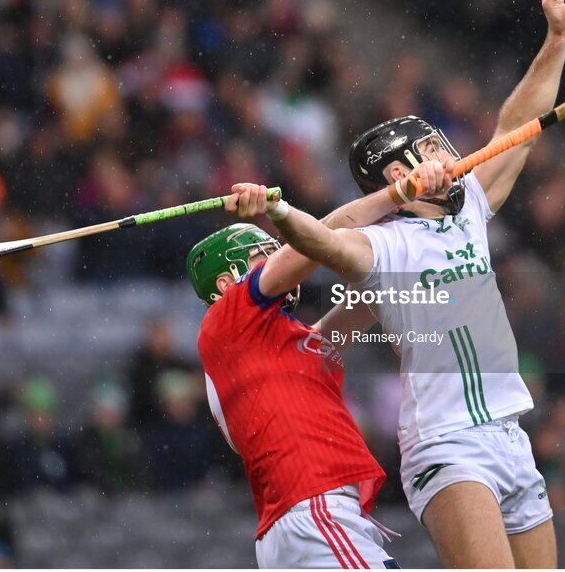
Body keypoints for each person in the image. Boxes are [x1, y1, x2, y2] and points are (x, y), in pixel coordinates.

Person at [233, 0, 565, 568]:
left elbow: (519, 128)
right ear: (399, 176)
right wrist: (279, 212)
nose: (448, 157)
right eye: (432, 152)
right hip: (448, 445)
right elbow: (326, 241)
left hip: (511, 437)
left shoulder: (471, 205)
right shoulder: (384, 247)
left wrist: (556, 35)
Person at [191, 160, 453, 569]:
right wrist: (398, 193)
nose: (276, 261)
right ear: (226, 282)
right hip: (313, 507)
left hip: (316, 516)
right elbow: (318, 240)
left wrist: (406, 231)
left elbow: (369, 296)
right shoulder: (226, 321)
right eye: (262, 256)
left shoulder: (283, 341)